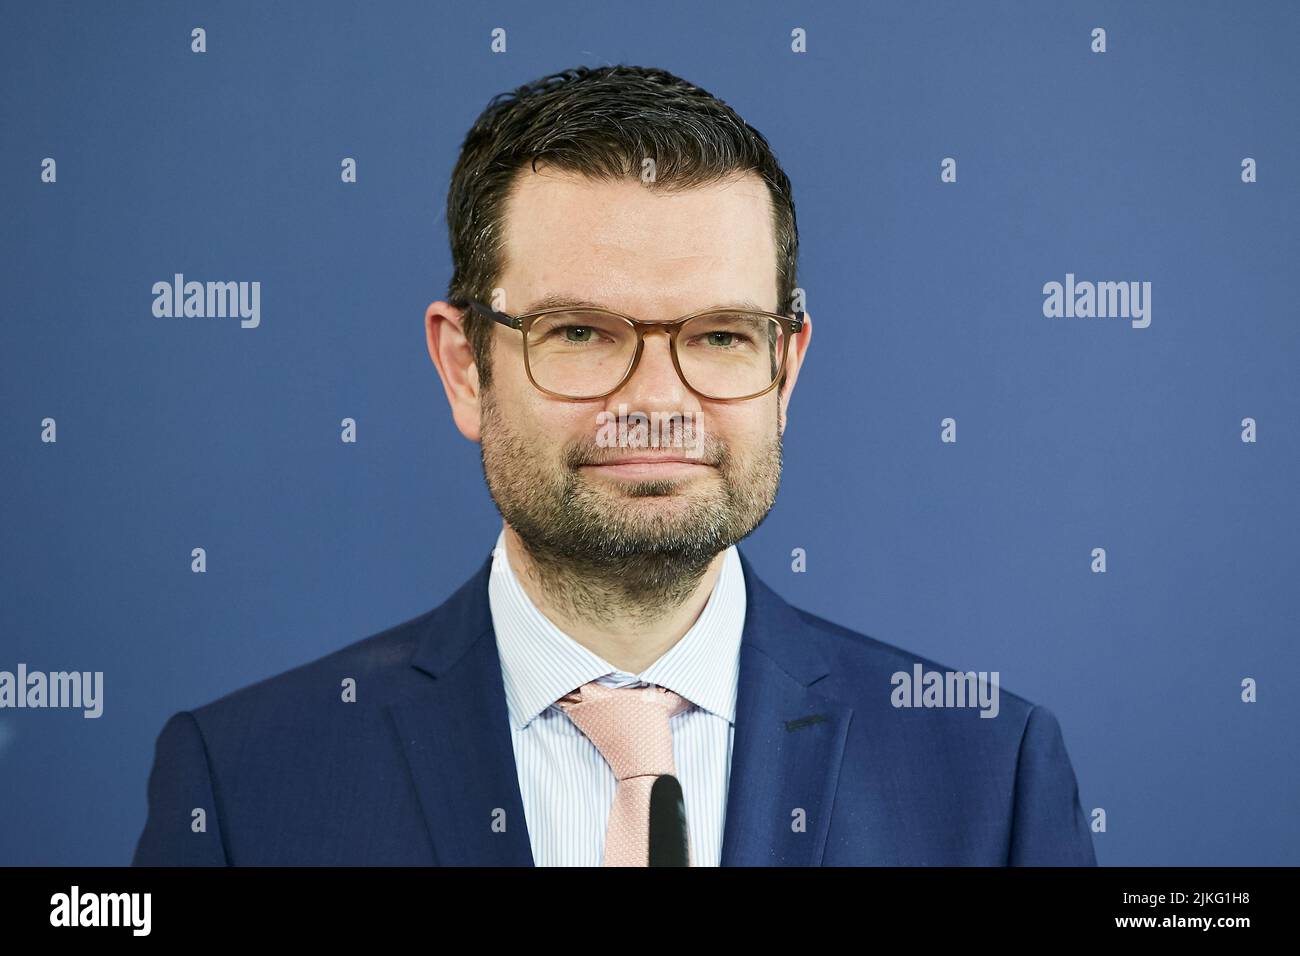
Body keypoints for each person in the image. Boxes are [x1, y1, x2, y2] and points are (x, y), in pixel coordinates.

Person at [132, 64, 1096, 867]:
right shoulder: (244, 784)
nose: (655, 402)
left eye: (720, 335)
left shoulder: (989, 774)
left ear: (785, 366)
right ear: (465, 366)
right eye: (583, 331)